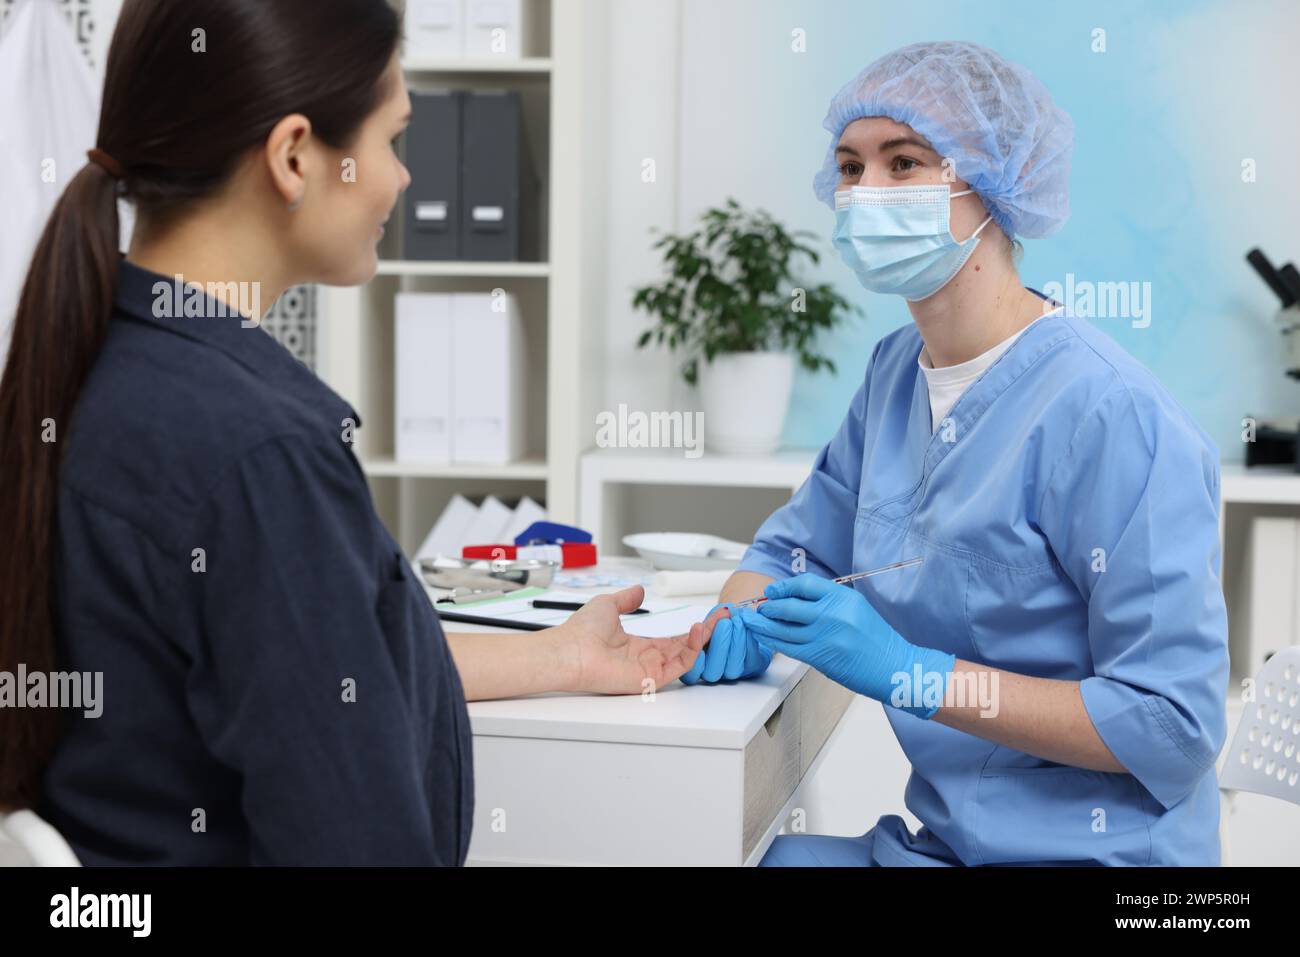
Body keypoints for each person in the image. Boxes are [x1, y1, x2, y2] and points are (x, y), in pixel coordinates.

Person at [0, 0, 703, 866]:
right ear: (296, 157)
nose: (403, 178)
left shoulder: (87, 366)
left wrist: (560, 654)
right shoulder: (259, 455)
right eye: (391, 139)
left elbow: (299, 659)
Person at [688, 41, 1228, 866]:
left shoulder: (1114, 416)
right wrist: (739, 614)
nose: (866, 192)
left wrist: (916, 673)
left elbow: (1172, 725)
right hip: (949, 842)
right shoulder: (895, 376)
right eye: (849, 165)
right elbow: (790, 548)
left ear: (995, 184)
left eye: (904, 162)